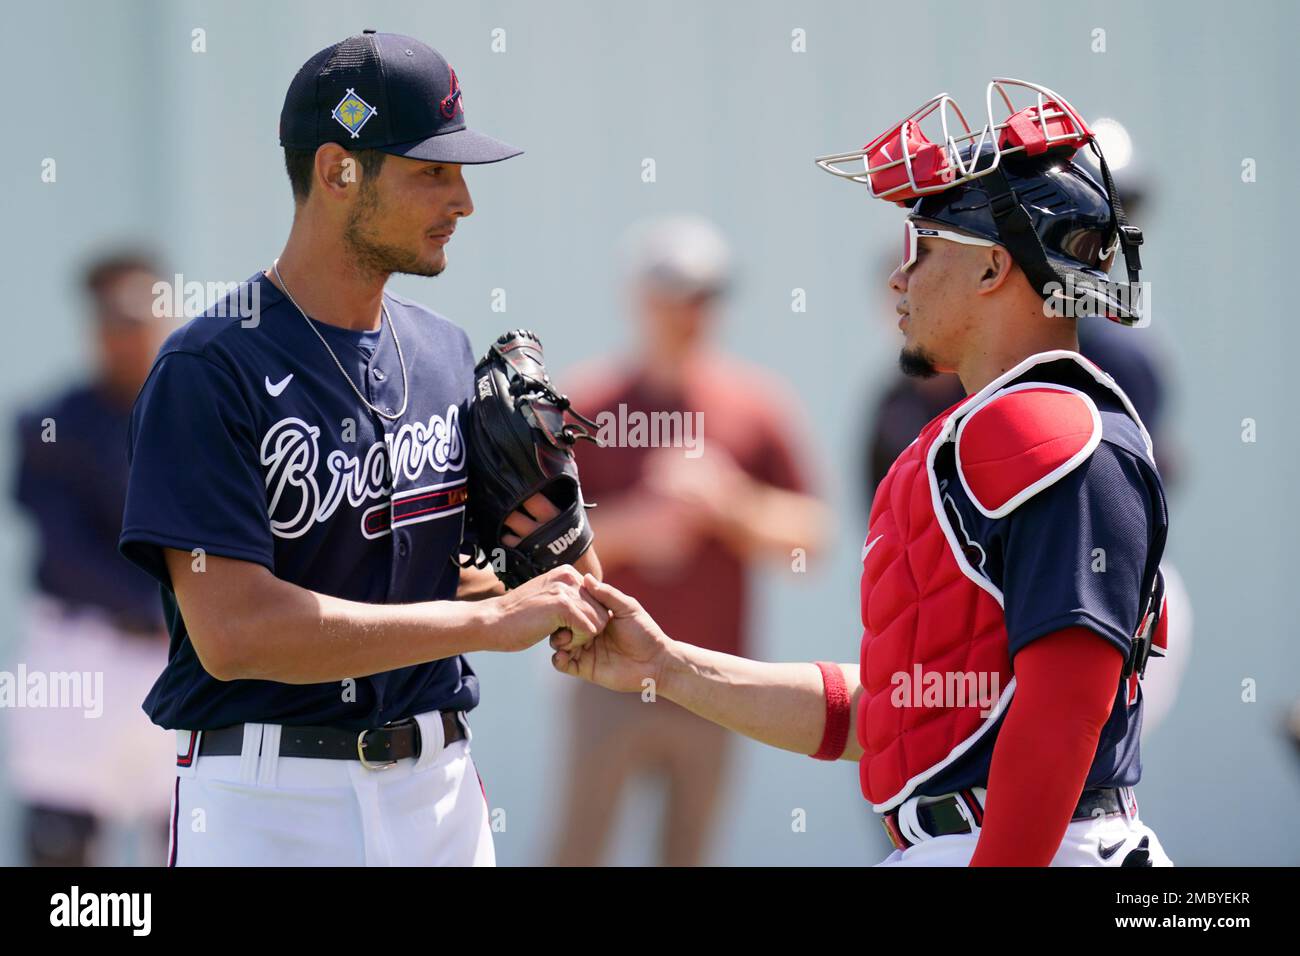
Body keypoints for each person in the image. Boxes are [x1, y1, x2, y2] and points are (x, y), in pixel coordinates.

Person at [554, 80, 1175, 866]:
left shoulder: (1052, 429)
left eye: (922, 249)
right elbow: (890, 713)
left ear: (991, 270)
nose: (897, 279)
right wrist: (673, 668)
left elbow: (1063, 711)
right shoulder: (975, 426)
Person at [117, 31, 606, 867]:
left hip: (439, 789)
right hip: (269, 800)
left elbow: (442, 583)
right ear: (338, 171)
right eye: (432, 172)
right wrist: (483, 620)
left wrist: (557, 560)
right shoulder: (211, 366)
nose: (463, 201)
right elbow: (234, 632)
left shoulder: (447, 352)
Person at [548, 217, 827, 866]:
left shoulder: (755, 406)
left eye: (706, 295)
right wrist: (631, 530)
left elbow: (811, 540)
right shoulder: (586, 404)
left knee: (690, 855)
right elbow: (535, 547)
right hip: (603, 674)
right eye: (676, 294)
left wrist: (732, 506)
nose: (692, 313)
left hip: (715, 680)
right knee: (577, 849)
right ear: (640, 299)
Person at [8, 252, 174, 866]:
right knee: (62, 846)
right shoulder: (51, 421)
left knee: (189, 836)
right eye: (114, 317)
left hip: (180, 656)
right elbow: (66, 553)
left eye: (143, 314)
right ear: (94, 327)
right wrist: (164, 605)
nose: (128, 332)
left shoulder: (197, 416)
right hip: (83, 658)